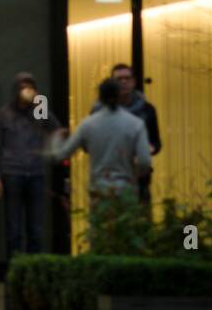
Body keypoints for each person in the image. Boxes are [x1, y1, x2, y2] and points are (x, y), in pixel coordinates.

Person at [53, 78, 152, 218]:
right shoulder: (136, 124)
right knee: (125, 235)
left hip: (99, 192)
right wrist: (134, 176)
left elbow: (61, 154)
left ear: (100, 97)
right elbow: (145, 162)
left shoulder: (87, 125)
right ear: (119, 96)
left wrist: (57, 137)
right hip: (126, 190)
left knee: (101, 235)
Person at [0, 71, 61, 258]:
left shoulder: (39, 108)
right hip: (12, 173)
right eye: (23, 87)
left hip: (36, 173)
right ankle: (15, 272)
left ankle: (33, 273)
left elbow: (56, 130)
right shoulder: (4, 114)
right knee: (14, 230)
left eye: (30, 87)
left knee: (36, 229)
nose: (26, 91)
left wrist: (40, 104)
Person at [90, 64, 161, 209]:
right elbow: (90, 144)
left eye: (127, 78)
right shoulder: (99, 112)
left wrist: (148, 150)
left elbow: (156, 142)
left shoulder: (147, 110)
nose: (123, 82)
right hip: (107, 178)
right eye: (119, 79)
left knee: (140, 222)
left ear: (134, 82)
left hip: (139, 178)